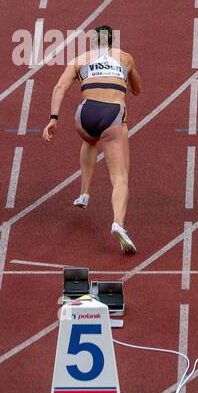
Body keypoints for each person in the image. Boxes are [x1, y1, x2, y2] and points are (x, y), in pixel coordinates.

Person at [44, 26, 142, 254]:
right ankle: (118, 223)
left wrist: (53, 119)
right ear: (112, 42)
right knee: (120, 177)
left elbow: (60, 87)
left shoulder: (80, 59)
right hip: (112, 115)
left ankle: (84, 193)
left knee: (90, 140)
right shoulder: (125, 58)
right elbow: (137, 89)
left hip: (84, 115)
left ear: (92, 42)